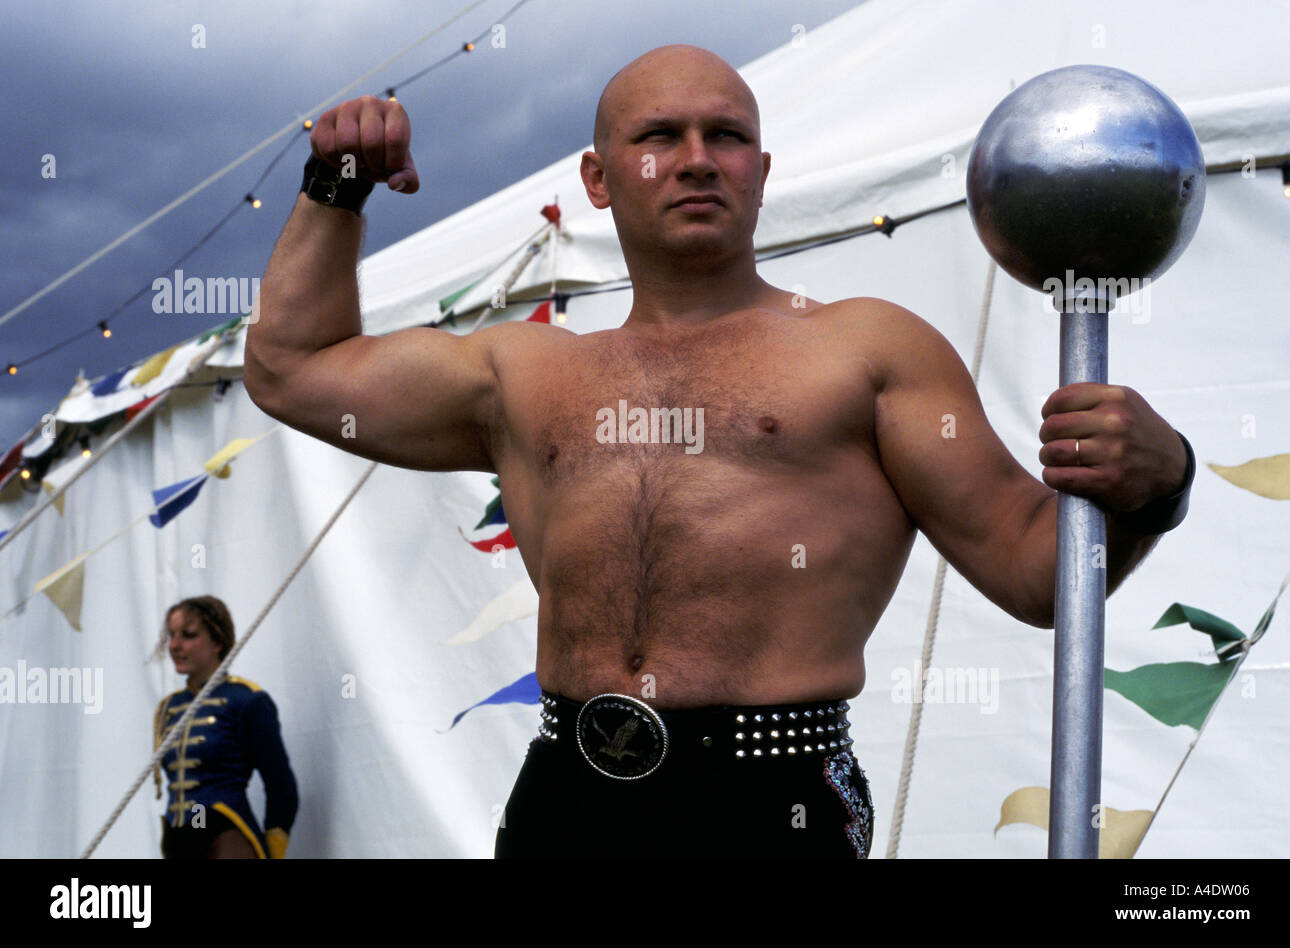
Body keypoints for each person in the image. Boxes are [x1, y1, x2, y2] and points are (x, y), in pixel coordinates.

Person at [245, 45, 1193, 858]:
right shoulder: (521, 375)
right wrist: (339, 187)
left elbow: (1036, 573)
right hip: (566, 795)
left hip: (771, 799)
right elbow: (291, 369)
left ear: (762, 169)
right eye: (658, 137)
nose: (697, 160)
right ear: (598, 179)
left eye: (726, 136)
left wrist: (1158, 485)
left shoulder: (867, 350)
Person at [153, 595, 298, 859]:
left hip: (225, 834)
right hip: (178, 841)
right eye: (171, 635)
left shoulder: (247, 700)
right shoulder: (168, 708)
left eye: (188, 635)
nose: (174, 645)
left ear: (217, 642)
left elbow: (281, 786)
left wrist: (275, 847)